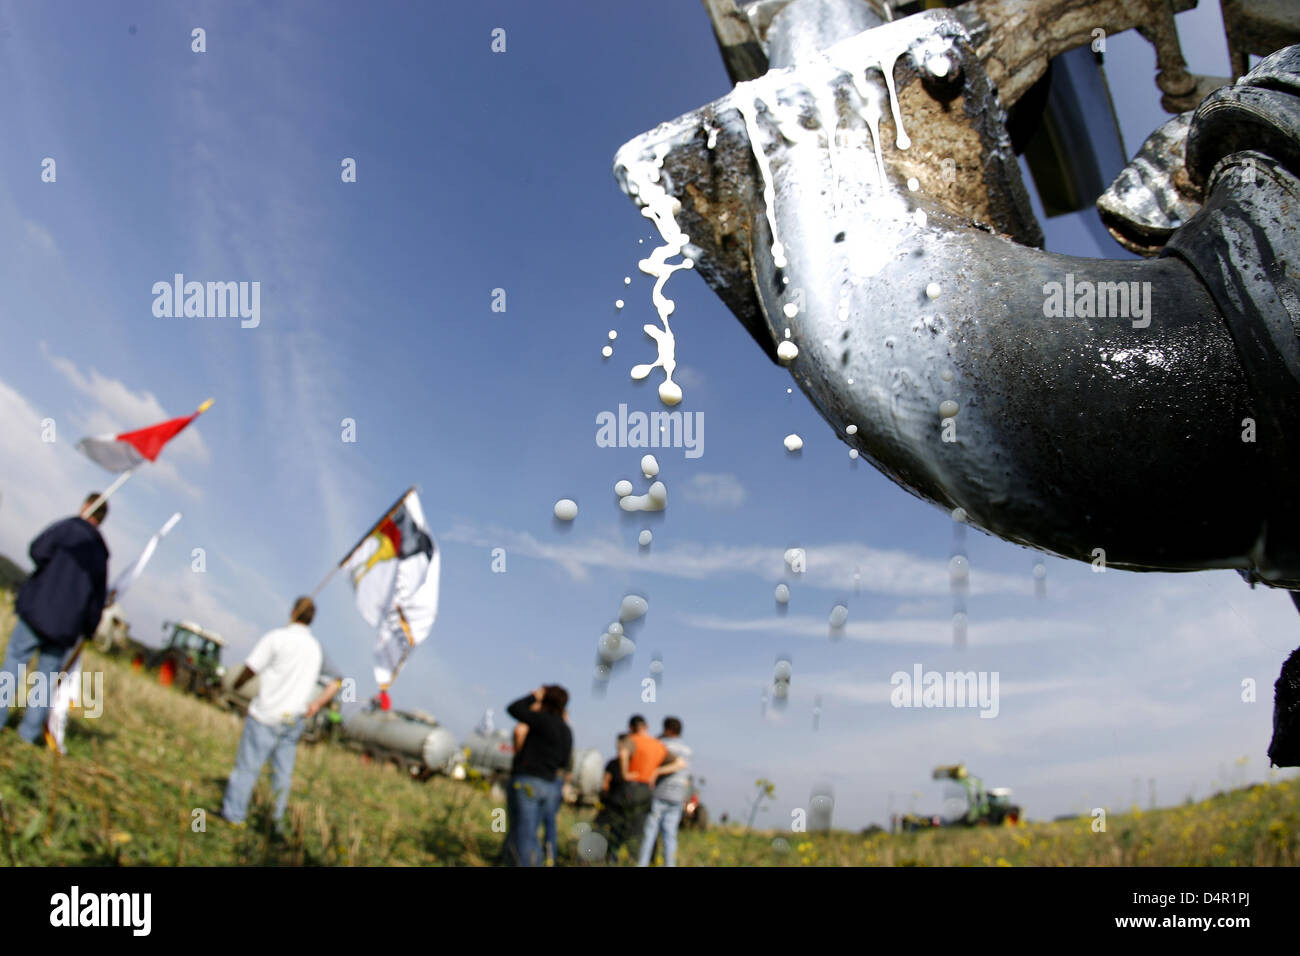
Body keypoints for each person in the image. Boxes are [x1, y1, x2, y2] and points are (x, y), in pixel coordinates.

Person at [220, 597, 340, 830]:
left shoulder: (277, 638)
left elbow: (251, 668)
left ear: (293, 612)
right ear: (312, 619)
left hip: (266, 715)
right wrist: (316, 705)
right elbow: (336, 681)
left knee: (247, 767)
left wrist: (235, 685)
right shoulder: (316, 648)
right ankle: (275, 824)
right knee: (282, 774)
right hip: (293, 720)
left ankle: (234, 814)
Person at [0, 494, 110, 744]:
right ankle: (28, 734)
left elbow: (37, 550)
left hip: (36, 612)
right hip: (65, 628)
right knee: (46, 679)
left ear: (86, 506)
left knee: (13, 665)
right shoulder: (100, 554)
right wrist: (89, 630)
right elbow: (97, 599)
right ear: (102, 520)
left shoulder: (68, 528)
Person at [503, 684, 572, 866]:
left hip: (528, 782)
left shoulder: (542, 720)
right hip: (549, 786)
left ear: (546, 699)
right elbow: (564, 761)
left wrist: (534, 696)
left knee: (523, 835)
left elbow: (513, 709)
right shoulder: (566, 730)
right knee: (532, 834)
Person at [637, 716, 692, 867]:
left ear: (667, 730)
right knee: (670, 835)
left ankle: (642, 863)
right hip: (677, 797)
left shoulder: (661, 745)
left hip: (659, 794)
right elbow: (687, 777)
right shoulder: (687, 750)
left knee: (649, 833)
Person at [622, 714, 667, 856]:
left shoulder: (631, 740)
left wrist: (625, 774)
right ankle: (651, 857)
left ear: (630, 728)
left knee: (632, 825)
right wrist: (657, 772)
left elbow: (623, 754)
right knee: (648, 825)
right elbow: (679, 763)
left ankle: (633, 857)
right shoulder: (658, 744)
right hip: (650, 789)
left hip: (634, 787)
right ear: (646, 726)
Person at [593, 733, 633, 859]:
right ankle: (610, 858)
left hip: (611, 803)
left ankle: (598, 856)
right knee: (616, 834)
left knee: (600, 831)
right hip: (620, 805)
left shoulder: (613, 763)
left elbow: (605, 784)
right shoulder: (631, 764)